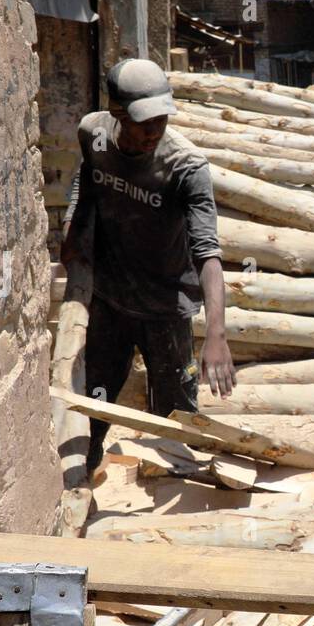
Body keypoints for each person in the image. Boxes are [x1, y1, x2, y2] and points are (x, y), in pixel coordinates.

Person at [61, 59, 234, 473]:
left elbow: (206, 252)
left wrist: (216, 333)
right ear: (118, 114)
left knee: (176, 423)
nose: (154, 131)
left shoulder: (186, 167)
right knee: (94, 404)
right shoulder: (94, 134)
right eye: (143, 123)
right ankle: (80, 484)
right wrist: (72, 232)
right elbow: (88, 178)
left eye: (161, 120)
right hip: (109, 301)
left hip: (166, 310)